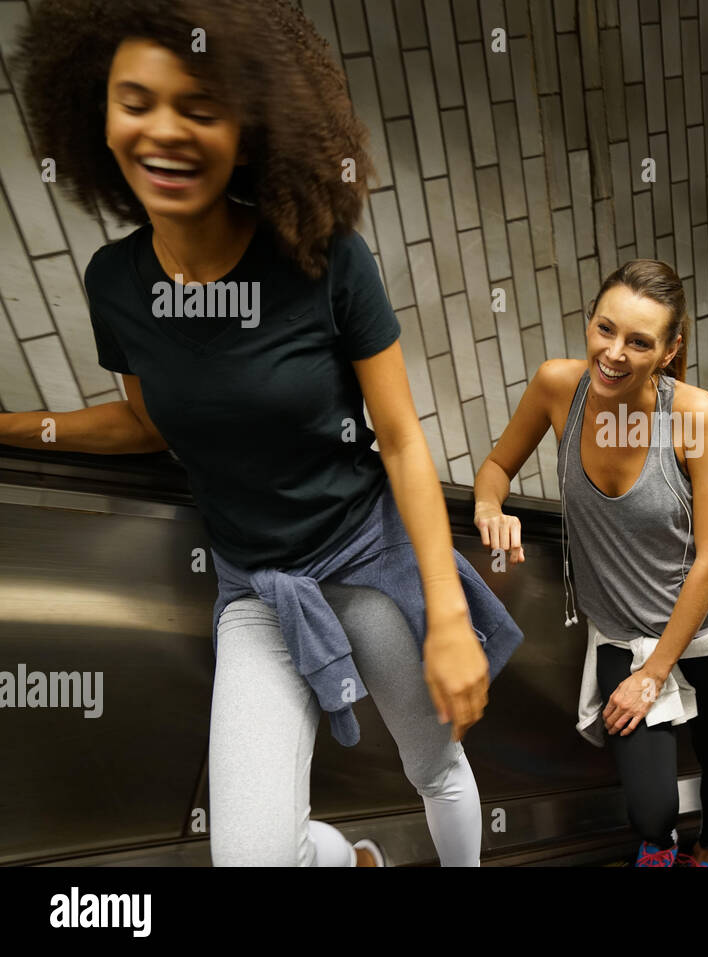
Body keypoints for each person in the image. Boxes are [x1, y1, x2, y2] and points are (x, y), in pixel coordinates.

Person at [5, 0, 522, 866]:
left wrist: (445, 615)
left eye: (199, 108)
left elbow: (399, 437)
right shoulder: (115, 284)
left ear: (247, 131)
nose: (163, 130)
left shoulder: (324, 259)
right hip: (256, 589)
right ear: (98, 117)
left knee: (436, 767)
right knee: (248, 854)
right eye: (136, 101)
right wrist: (17, 427)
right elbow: (144, 423)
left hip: (365, 558)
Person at [473, 260, 708, 867]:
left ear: (669, 351)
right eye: (604, 329)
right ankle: (661, 844)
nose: (613, 353)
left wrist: (654, 676)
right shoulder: (556, 387)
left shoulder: (693, 415)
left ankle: (707, 850)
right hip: (623, 630)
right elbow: (494, 470)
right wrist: (491, 509)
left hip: (707, 626)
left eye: (639, 341)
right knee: (650, 810)